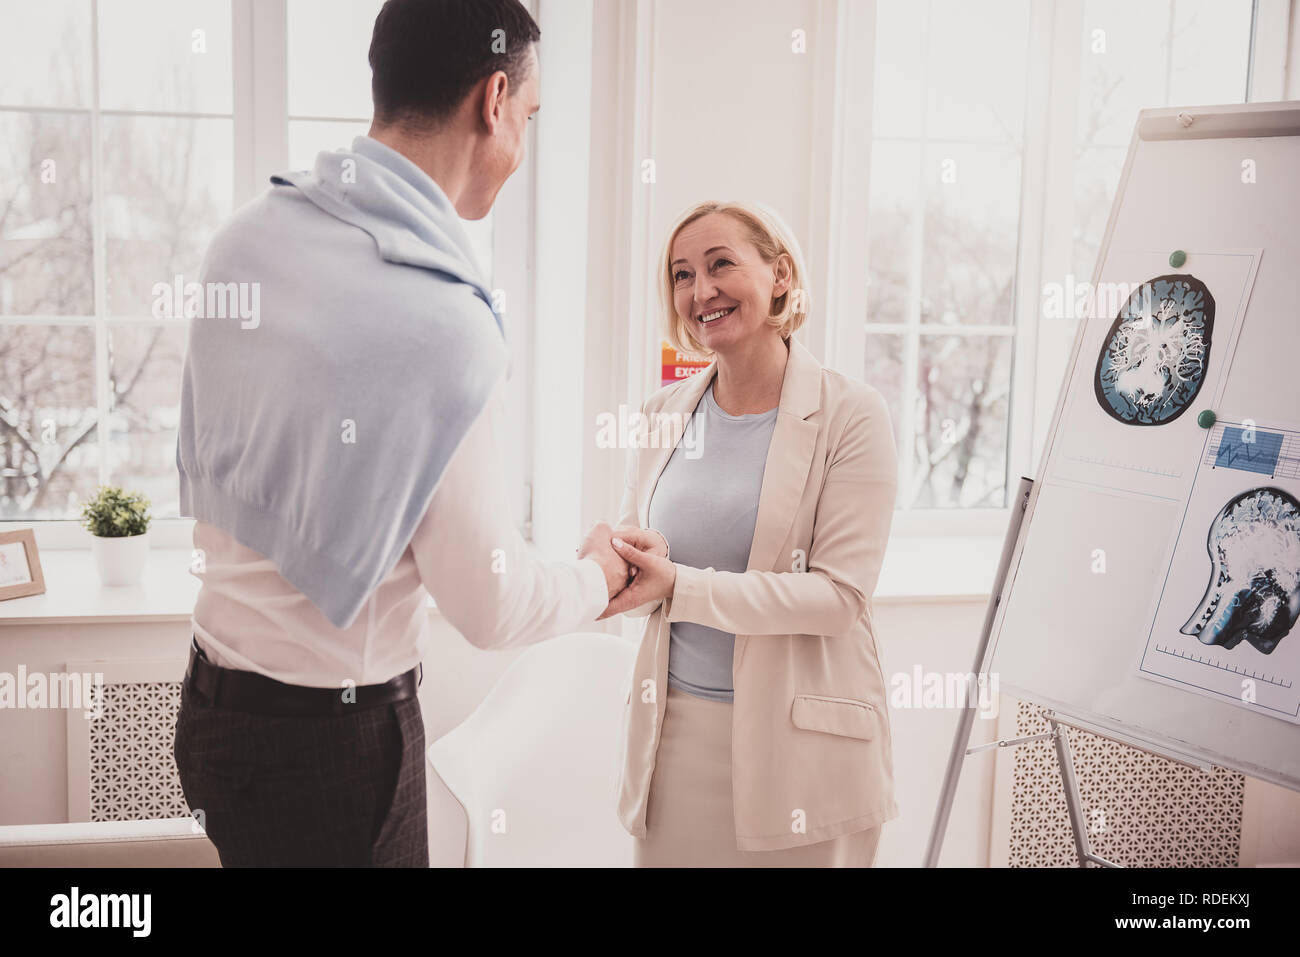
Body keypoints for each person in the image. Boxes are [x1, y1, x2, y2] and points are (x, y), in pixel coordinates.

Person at [173, 0, 631, 867]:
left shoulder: (243, 245)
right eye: (528, 119)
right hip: (335, 754)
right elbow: (490, 604)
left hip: (210, 710)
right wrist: (598, 576)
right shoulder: (444, 326)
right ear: (494, 100)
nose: (523, 150)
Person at [600, 200, 900, 866]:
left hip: (800, 748)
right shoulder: (660, 415)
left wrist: (681, 584)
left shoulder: (852, 414)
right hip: (673, 739)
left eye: (720, 264)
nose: (699, 291)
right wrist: (616, 565)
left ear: (781, 276)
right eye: (681, 274)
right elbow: (644, 567)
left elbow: (836, 598)